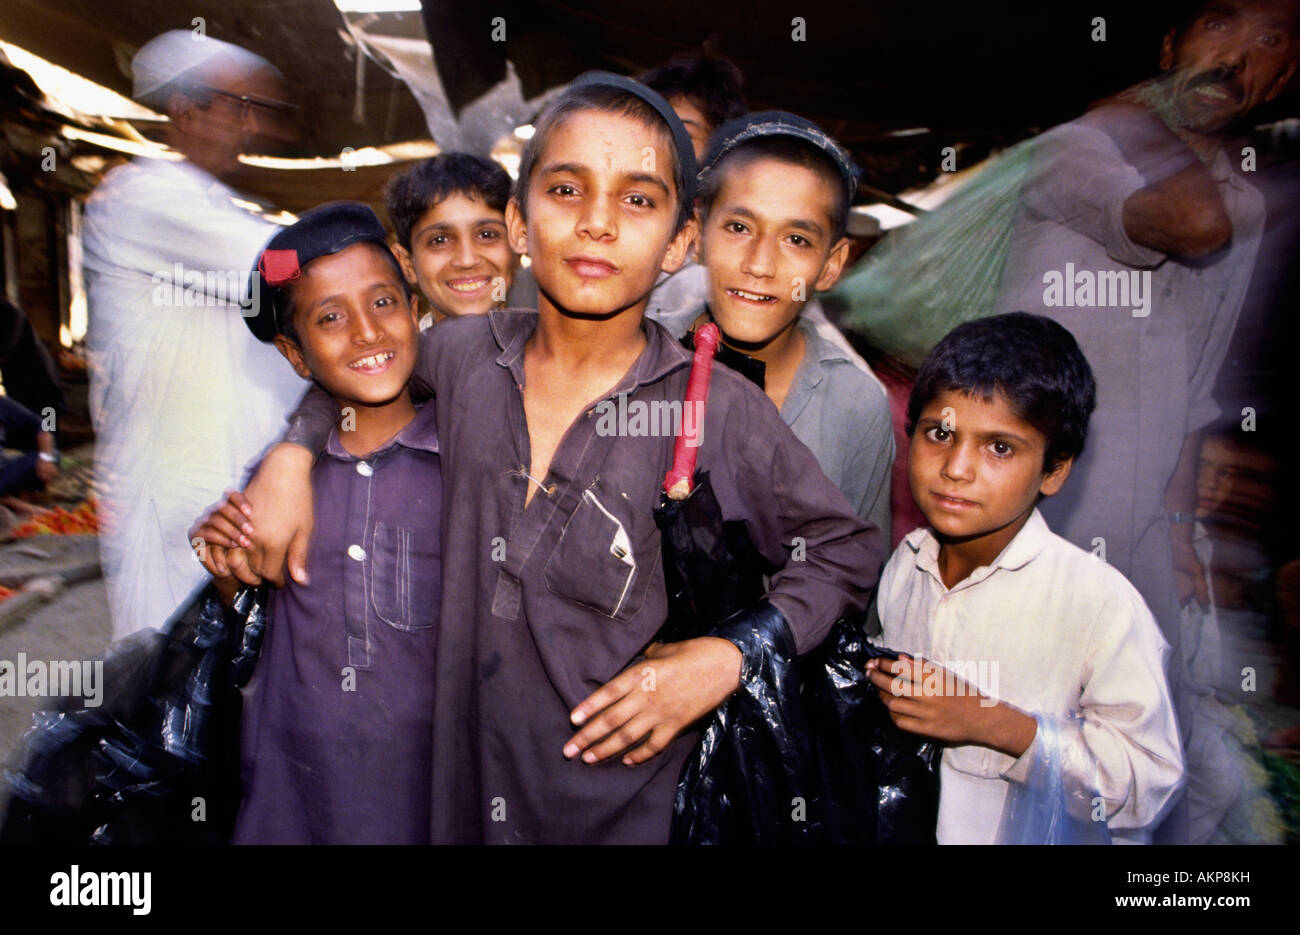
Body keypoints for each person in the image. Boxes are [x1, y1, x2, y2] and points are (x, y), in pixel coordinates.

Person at [194, 72, 879, 844]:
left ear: (681, 241)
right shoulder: (459, 356)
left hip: (619, 813)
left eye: (638, 199)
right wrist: (290, 457)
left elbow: (845, 549)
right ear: (519, 223)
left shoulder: (713, 406)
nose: (596, 223)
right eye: (566, 189)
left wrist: (726, 657)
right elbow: (361, 367)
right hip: (456, 805)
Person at [993, 0, 1298, 664]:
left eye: (1268, 41)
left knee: (1143, 749)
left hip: (1143, 543)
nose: (1235, 56)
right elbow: (1192, 224)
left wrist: (1182, 531)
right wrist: (1136, 117)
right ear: (1168, 50)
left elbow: (1193, 390)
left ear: (1282, 80)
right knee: (1013, 736)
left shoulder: (1243, 204)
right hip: (1030, 528)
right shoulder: (1075, 147)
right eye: (1218, 25)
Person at [866, 312, 1184, 844]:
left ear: (1055, 470)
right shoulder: (906, 564)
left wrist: (995, 725)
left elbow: (1147, 783)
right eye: (940, 433)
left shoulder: (1098, 603)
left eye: (999, 447)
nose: (957, 468)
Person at [207, 202, 439, 843]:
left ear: (414, 306)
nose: (366, 333)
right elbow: (246, 617)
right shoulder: (277, 483)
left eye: (383, 302)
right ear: (296, 354)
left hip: (428, 800)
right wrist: (230, 570)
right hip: (295, 802)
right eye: (330, 317)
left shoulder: (468, 461)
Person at [82, 30, 306, 639]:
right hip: (181, 491)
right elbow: (279, 266)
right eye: (239, 107)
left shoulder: (217, 204)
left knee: (235, 683)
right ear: (185, 110)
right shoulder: (144, 198)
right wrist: (361, 258)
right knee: (173, 682)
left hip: (233, 489)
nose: (251, 128)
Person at [659, 112, 894, 535]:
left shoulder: (854, 405)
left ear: (831, 264)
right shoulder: (636, 356)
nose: (760, 264)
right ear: (698, 236)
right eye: (738, 227)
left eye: (796, 240)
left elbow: (855, 576)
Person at [384, 152, 518, 328]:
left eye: (487, 235)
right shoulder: (402, 355)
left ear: (518, 242)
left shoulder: (558, 352)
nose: (467, 260)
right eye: (439, 240)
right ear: (407, 264)